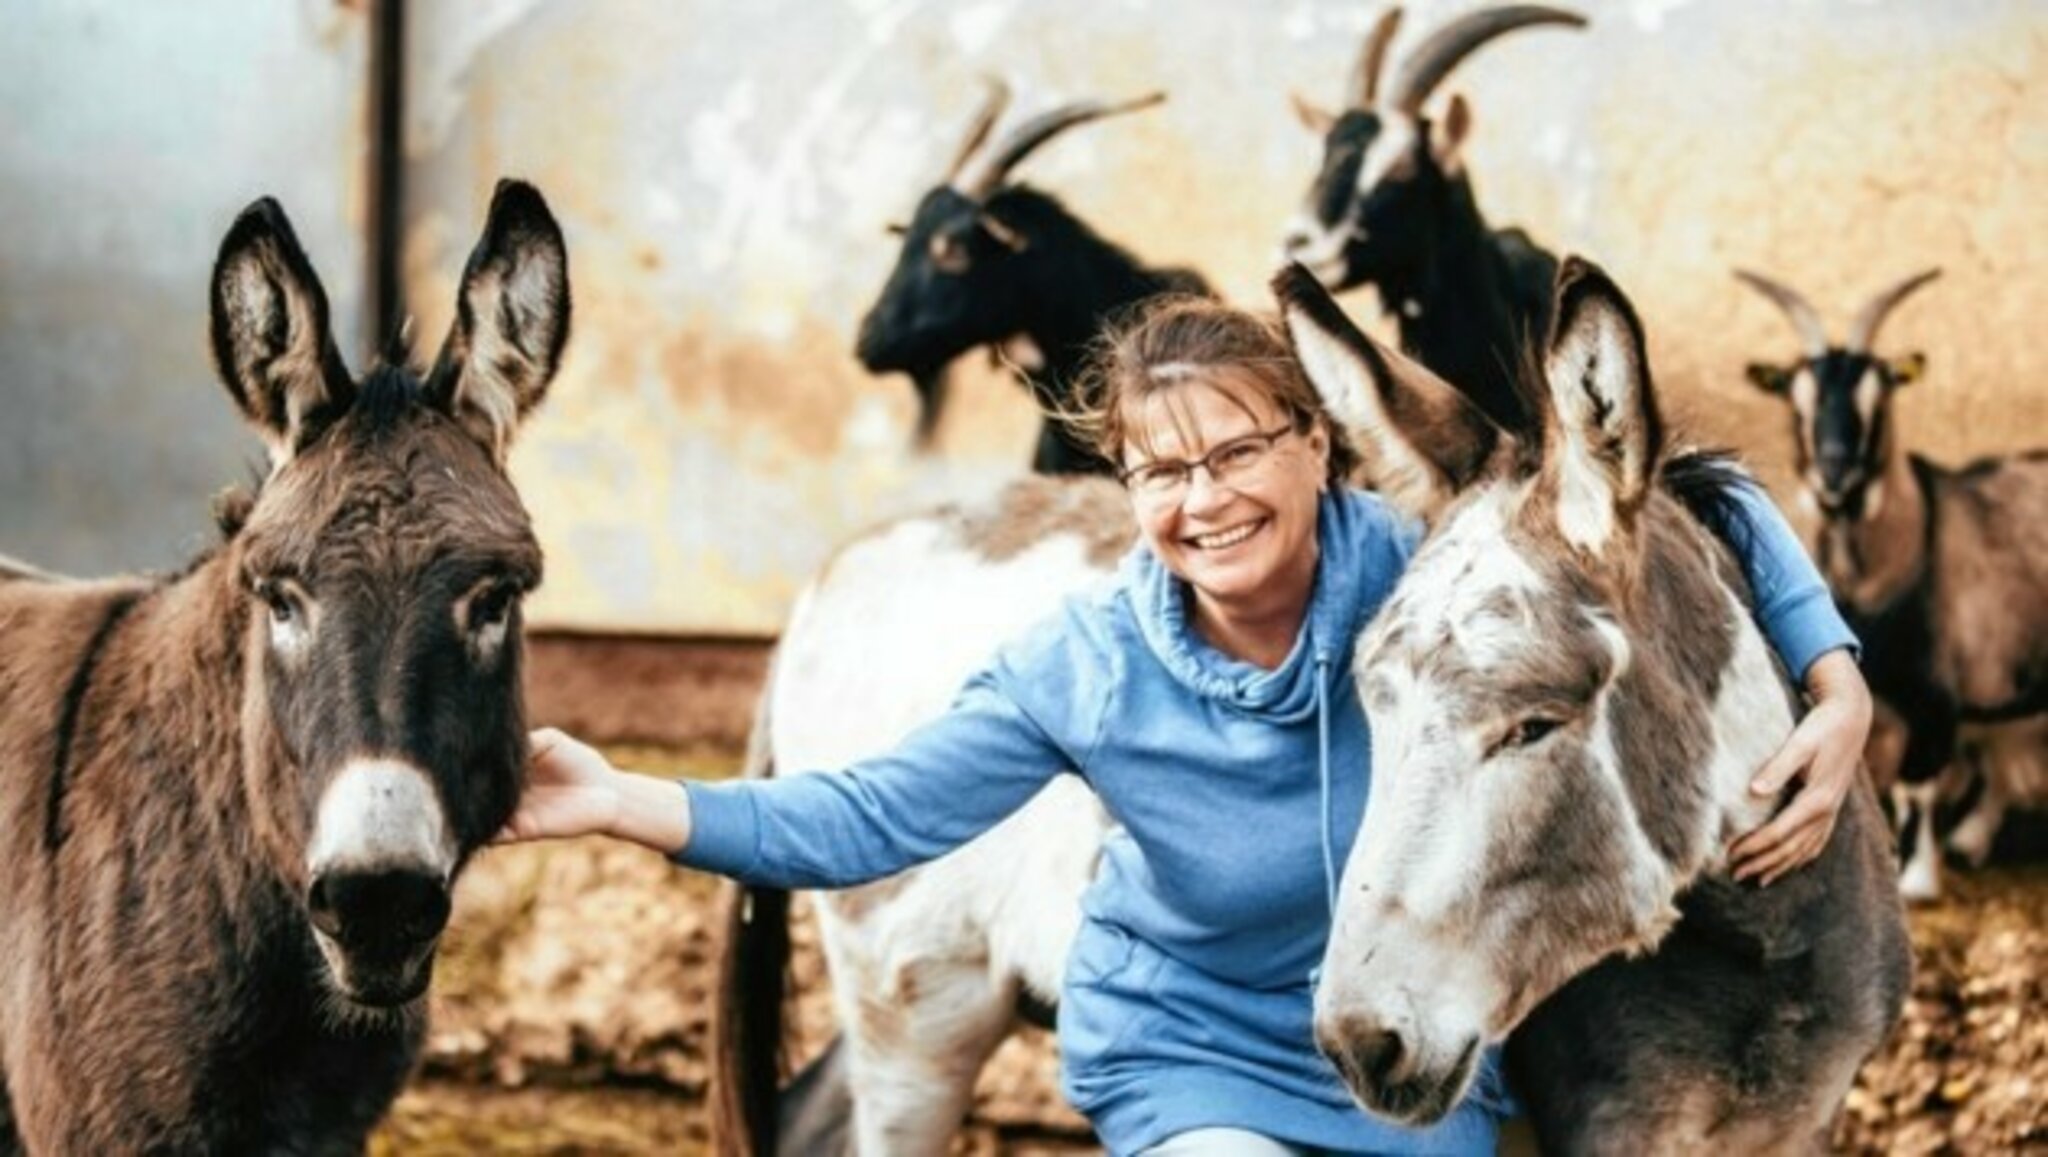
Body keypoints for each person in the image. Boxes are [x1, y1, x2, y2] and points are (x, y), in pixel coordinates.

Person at [498, 296, 1872, 1156]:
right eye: (1160, 471)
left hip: (1402, 1053)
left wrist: (1837, 674)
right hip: (1195, 1054)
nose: (1203, 502)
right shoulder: (1090, 664)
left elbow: (1683, 503)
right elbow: (865, 815)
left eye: (1236, 454)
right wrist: (623, 799)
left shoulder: (1417, 577)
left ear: (1320, 443)